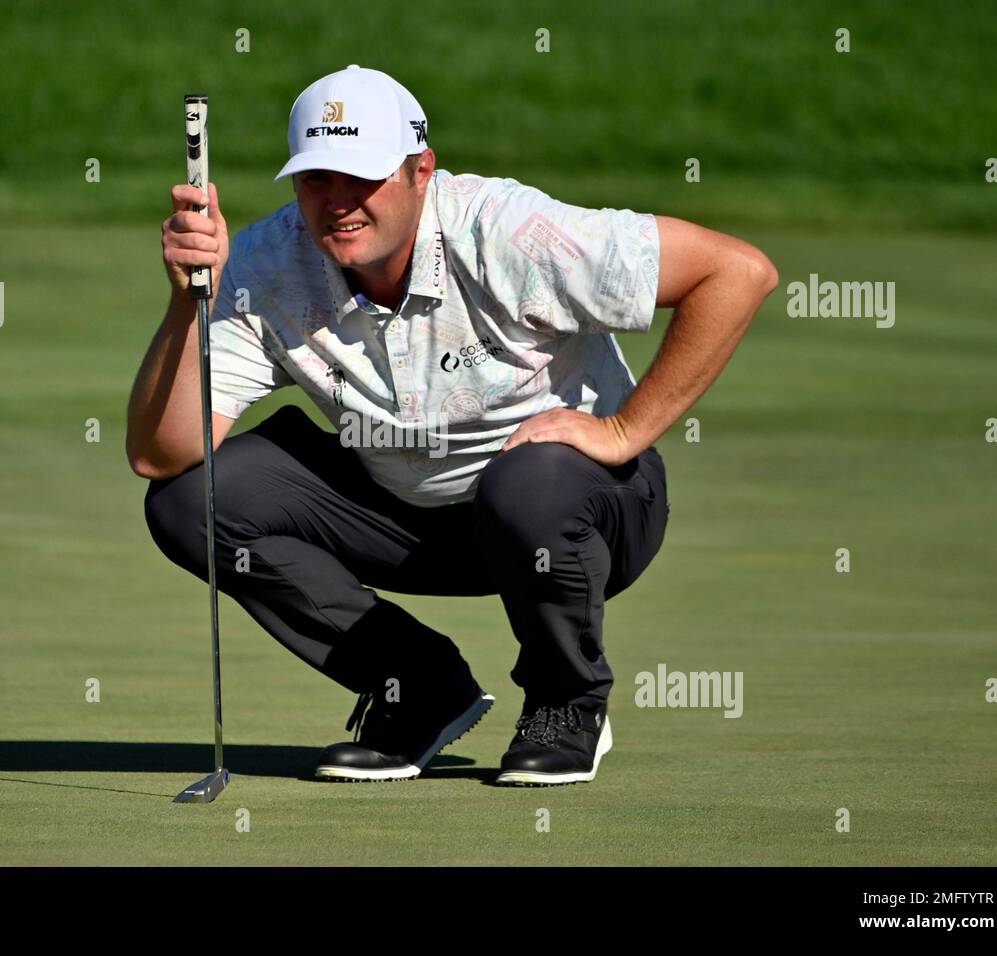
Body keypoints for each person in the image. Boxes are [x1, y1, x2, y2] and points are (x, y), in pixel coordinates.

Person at [128, 65, 778, 786]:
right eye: (317, 180)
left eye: (362, 178)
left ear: (420, 172)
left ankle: (567, 699)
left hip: (576, 513)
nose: (338, 203)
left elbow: (737, 272)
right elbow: (163, 454)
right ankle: (419, 688)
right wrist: (189, 304)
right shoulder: (262, 264)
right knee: (192, 502)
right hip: (414, 519)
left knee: (527, 485)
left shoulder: (506, 232)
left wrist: (624, 431)